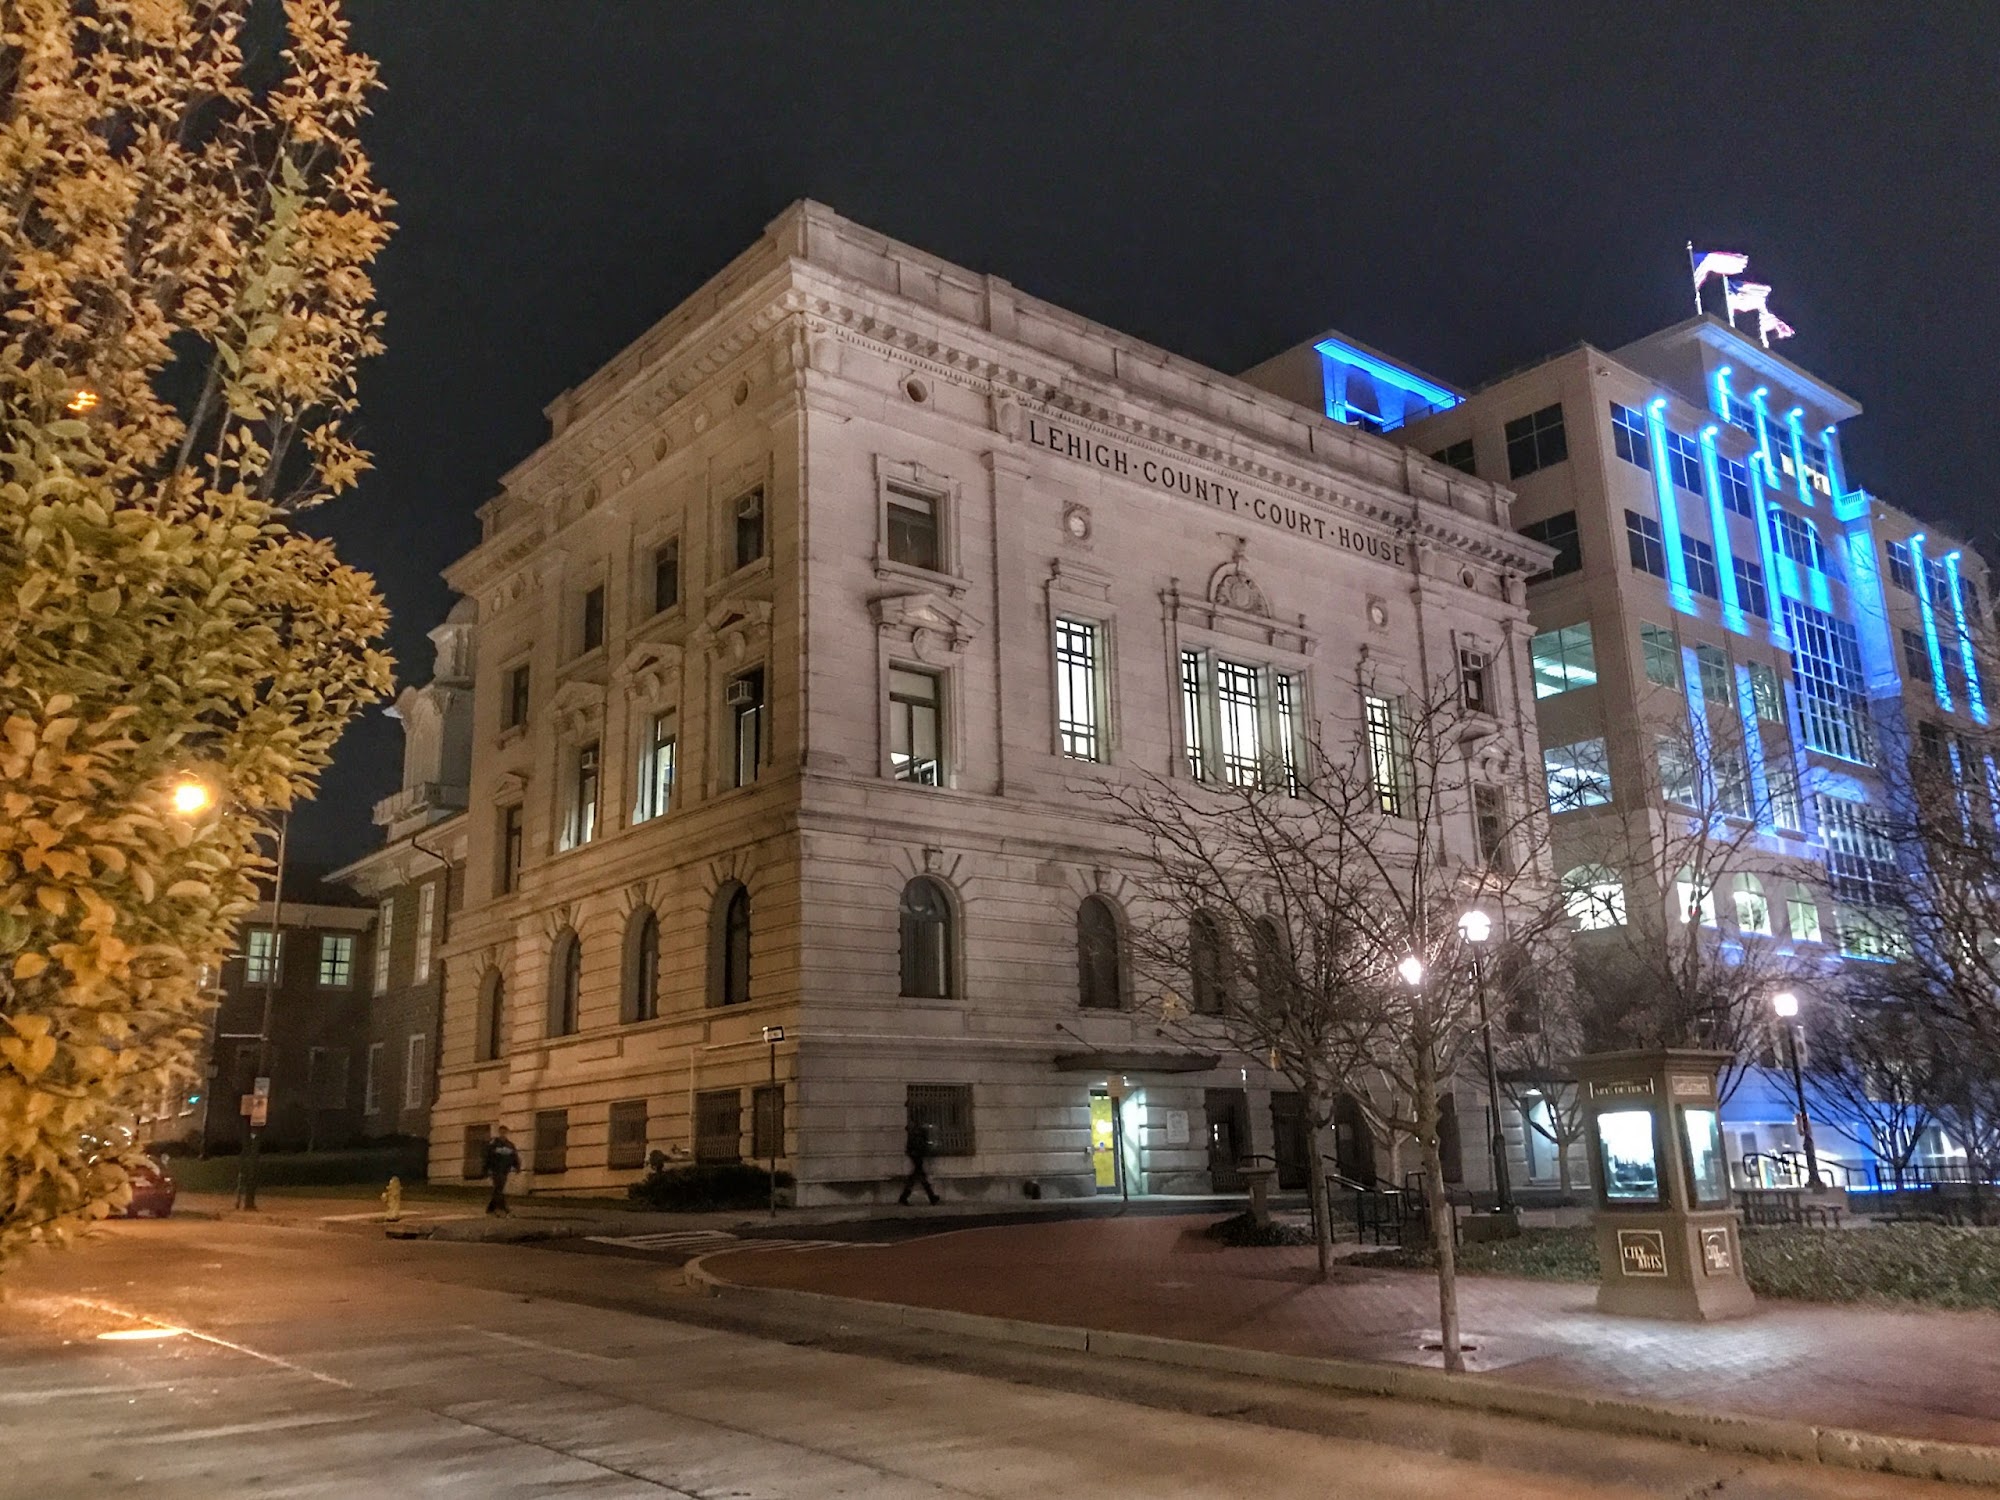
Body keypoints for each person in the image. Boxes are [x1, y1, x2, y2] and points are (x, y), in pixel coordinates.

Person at [898, 1118, 939, 1206]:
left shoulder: (913, 1133)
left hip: (916, 1156)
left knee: (917, 1177)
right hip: (917, 1156)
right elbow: (919, 1145)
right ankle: (931, 1197)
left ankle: (905, 1197)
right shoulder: (917, 1133)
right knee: (919, 1177)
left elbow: (911, 1147)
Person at [482, 1125, 520, 1215]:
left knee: (499, 1188)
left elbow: (514, 1156)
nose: (503, 1134)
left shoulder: (510, 1145)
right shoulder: (494, 1144)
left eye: (505, 1132)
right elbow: (488, 1157)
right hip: (496, 1169)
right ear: (499, 1132)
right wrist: (486, 1169)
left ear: (506, 1133)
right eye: (501, 1132)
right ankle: (502, 1207)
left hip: (505, 1170)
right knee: (499, 1188)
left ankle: (491, 1208)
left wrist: (517, 1166)